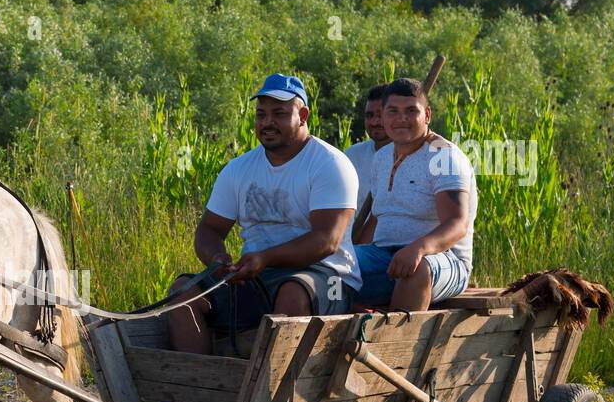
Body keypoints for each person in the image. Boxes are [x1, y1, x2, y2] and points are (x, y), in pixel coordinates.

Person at [166, 73, 360, 355]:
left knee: (292, 291)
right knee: (183, 291)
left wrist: (265, 258)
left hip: (330, 279)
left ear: (303, 115)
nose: (267, 122)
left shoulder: (329, 164)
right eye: (261, 114)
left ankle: (272, 390)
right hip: (256, 278)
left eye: (279, 114)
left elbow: (326, 241)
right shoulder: (239, 169)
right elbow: (209, 229)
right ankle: (198, 384)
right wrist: (216, 260)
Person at [353, 77, 477, 311]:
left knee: (416, 270)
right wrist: (348, 254)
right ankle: (352, 334)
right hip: (384, 258)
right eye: (393, 111)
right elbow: (379, 218)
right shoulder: (381, 158)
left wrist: (418, 248)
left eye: (411, 111)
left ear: (427, 115)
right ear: (384, 115)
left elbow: (457, 224)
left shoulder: (442, 155)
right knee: (333, 267)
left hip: (443, 259)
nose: (401, 119)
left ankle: (395, 344)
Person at [345, 83, 392, 243]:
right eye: (369, 115)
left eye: (380, 115)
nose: (374, 122)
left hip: (388, 246)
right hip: (352, 244)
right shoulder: (351, 155)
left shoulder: (415, 157)